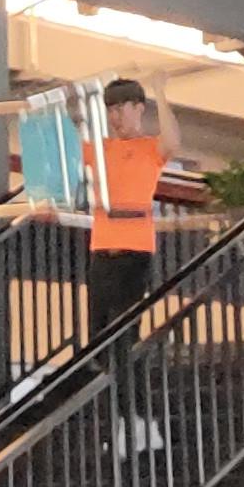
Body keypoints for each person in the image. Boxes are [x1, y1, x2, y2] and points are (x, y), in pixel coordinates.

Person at [80, 75, 165, 340]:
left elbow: (173, 142)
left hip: (135, 249)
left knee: (125, 328)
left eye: (120, 109)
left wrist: (161, 93)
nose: (114, 117)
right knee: (98, 329)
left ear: (138, 108)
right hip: (101, 248)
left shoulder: (150, 147)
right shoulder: (101, 148)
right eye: (110, 110)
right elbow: (63, 154)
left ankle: (125, 366)